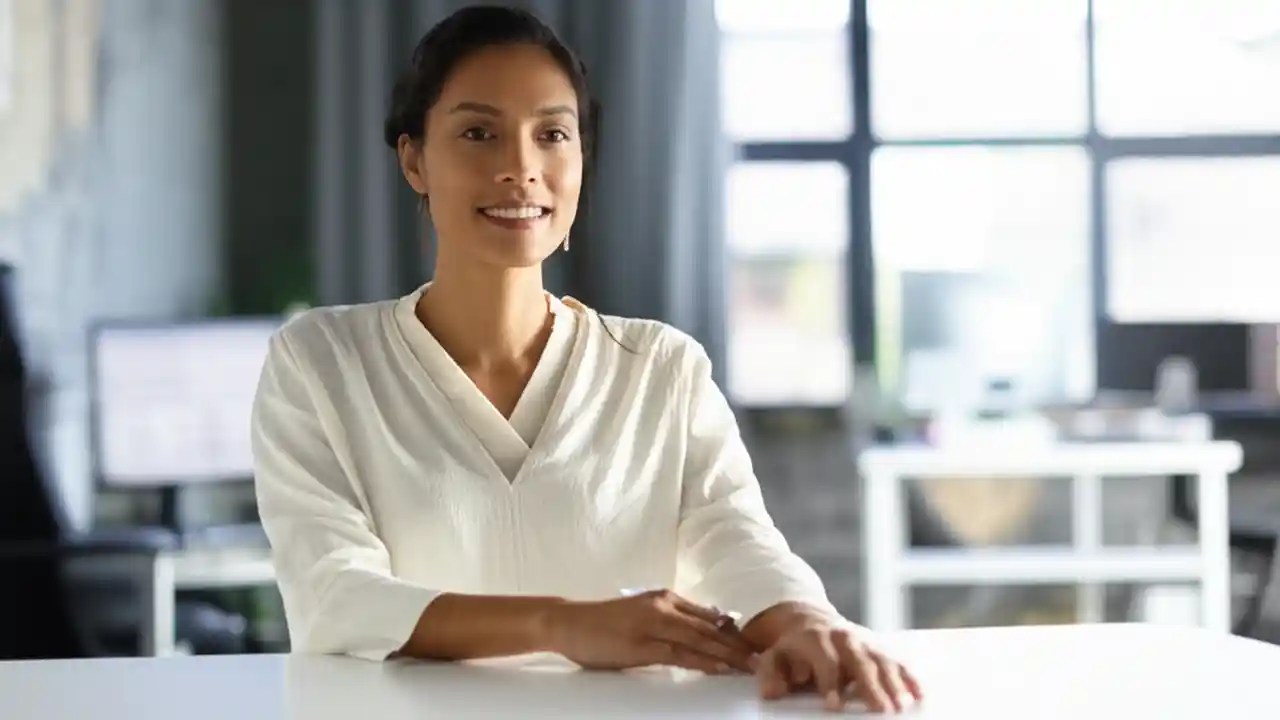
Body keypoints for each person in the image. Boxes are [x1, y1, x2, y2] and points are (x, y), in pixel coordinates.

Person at [251, 5, 923, 714]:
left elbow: (735, 539)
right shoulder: (321, 363)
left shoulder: (660, 368)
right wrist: (567, 623)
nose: (520, 167)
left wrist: (808, 622)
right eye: (479, 133)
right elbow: (335, 596)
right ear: (414, 158)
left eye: (552, 135)